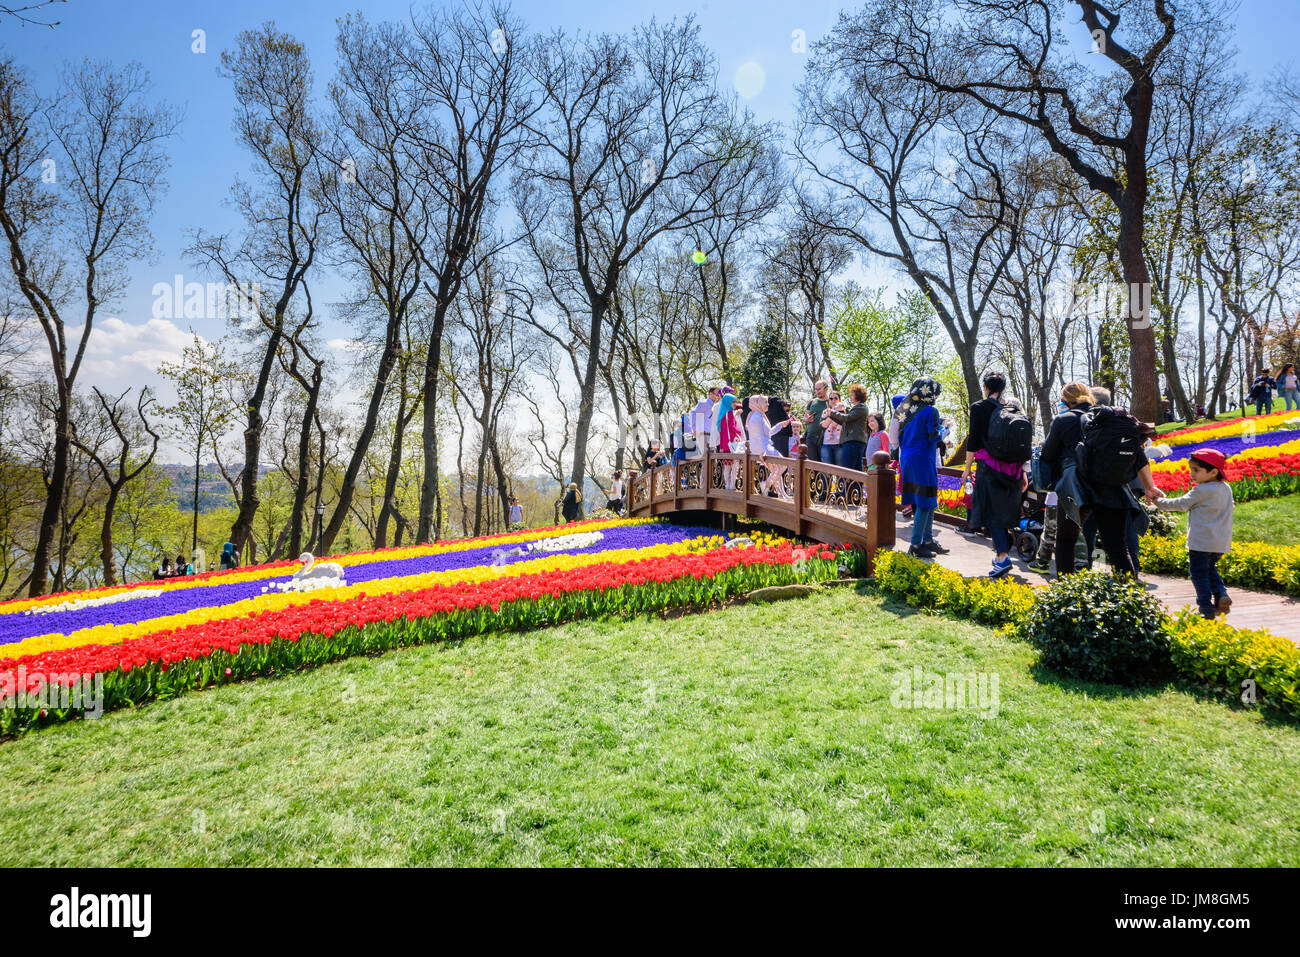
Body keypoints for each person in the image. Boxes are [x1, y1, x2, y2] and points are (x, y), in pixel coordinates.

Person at [1152, 448, 1234, 618]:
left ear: (1213, 472)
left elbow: (1180, 504)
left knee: (1199, 575)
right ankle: (1221, 595)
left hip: (1201, 542)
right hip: (1220, 543)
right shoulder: (1226, 488)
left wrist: (1157, 501)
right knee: (1210, 569)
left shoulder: (1201, 491)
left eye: (1196, 470)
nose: (1192, 474)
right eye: (1191, 469)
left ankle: (1206, 608)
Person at [961, 371, 1027, 577]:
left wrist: (967, 468)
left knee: (992, 513)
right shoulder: (1013, 408)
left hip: (989, 467)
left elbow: (973, 441)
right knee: (1005, 511)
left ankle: (1002, 557)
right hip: (1013, 469)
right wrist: (1023, 471)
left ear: (986, 387)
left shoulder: (979, 408)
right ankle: (1002, 552)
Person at [898, 377, 945, 556]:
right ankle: (916, 545)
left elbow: (899, 436)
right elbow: (934, 436)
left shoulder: (904, 409)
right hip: (923, 459)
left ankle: (927, 539)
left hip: (907, 458)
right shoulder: (931, 411)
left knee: (924, 500)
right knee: (926, 502)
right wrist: (944, 430)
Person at [747, 395, 790, 497]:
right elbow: (758, 437)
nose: (768, 404)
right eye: (765, 402)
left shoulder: (758, 416)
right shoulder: (757, 418)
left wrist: (780, 425)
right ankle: (766, 484)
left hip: (764, 448)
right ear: (758, 403)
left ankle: (781, 494)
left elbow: (768, 433)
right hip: (765, 449)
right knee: (783, 465)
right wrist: (763, 451)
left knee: (776, 470)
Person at [822, 384, 870, 472]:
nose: (850, 397)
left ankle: (851, 485)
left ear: (858, 395)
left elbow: (847, 418)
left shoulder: (861, 407)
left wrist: (832, 412)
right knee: (854, 469)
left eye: (852, 395)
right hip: (852, 441)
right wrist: (832, 416)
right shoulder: (857, 408)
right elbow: (845, 422)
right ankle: (855, 485)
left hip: (853, 441)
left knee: (849, 469)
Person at [803, 380, 830, 465]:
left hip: (826, 438)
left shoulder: (831, 402)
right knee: (813, 465)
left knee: (824, 465)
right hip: (811, 437)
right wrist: (807, 419)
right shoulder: (812, 402)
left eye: (819, 389)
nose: (817, 391)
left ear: (826, 389)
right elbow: (805, 418)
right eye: (816, 389)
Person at [693, 386, 721, 452]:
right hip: (703, 435)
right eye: (717, 394)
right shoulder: (703, 403)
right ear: (710, 394)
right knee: (705, 457)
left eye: (719, 395)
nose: (718, 396)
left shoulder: (717, 406)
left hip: (713, 435)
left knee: (713, 457)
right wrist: (694, 429)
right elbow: (693, 414)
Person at [820, 391, 843, 465]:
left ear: (839, 400)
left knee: (840, 471)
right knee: (826, 471)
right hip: (826, 444)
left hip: (839, 444)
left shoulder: (844, 410)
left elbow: (844, 422)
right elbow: (823, 425)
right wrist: (832, 415)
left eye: (835, 398)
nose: (833, 400)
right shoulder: (825, 412)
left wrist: (835, 413)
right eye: (831, 398)